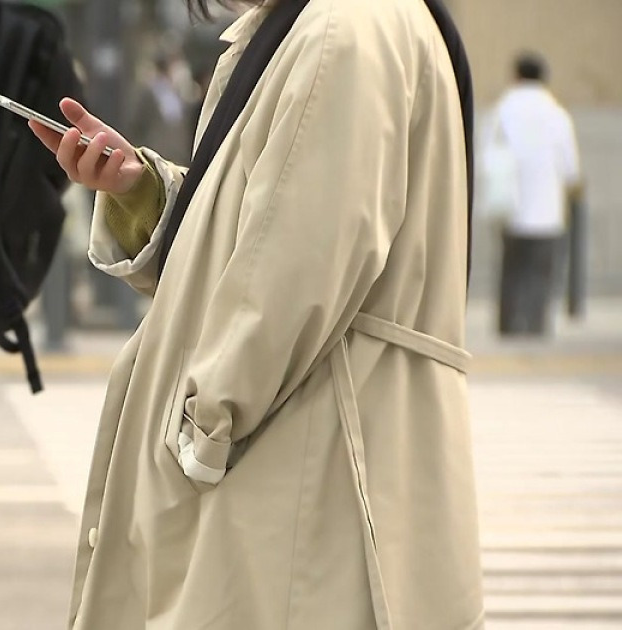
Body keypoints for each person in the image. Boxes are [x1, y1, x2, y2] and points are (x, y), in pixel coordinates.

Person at [29, 0, 484, 627]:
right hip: (307, 465)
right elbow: (270, 227)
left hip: (303, 476)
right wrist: (143, 191)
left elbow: (295, 266)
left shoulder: (342, 27)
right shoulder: (329, 23)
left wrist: (204, 426)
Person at [485, 53, 582, 337]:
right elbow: (571, 169)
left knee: (510, 271)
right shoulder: (557, 114)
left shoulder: (502, 110)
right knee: (541, 272)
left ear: (516, 75)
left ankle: (509, 326)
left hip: (509, 206)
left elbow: (485, 154)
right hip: (546, 210)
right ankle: (536, 327)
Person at [128, 52, 193, 164]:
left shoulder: (176, 90)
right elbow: (137, 122)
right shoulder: (148, 92)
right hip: (155, 149)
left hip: (176, 152)